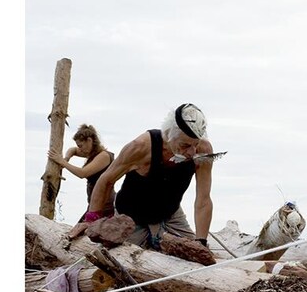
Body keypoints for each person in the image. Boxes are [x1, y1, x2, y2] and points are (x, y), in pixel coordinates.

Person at [70, 103, 215, 250]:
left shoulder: (202, 151)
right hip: (131, 218)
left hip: (170, 214)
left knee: (196, 258)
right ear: (170, 135)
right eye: (185, 145)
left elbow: (203, 199)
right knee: (122, 263)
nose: (191, 152)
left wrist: (201, 242)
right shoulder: (141, 147)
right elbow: (106, 180)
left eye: (195, 144)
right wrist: (91, 219)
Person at [47, 124, 116, 222]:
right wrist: (67, 158)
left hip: (104, 205)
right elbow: (73, 150)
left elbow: (83, 173)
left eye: (81, 146)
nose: (80, 149)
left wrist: (62, 162)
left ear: (89, 141)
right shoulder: (92, 153)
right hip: (94, 204)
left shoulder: (104, 156)